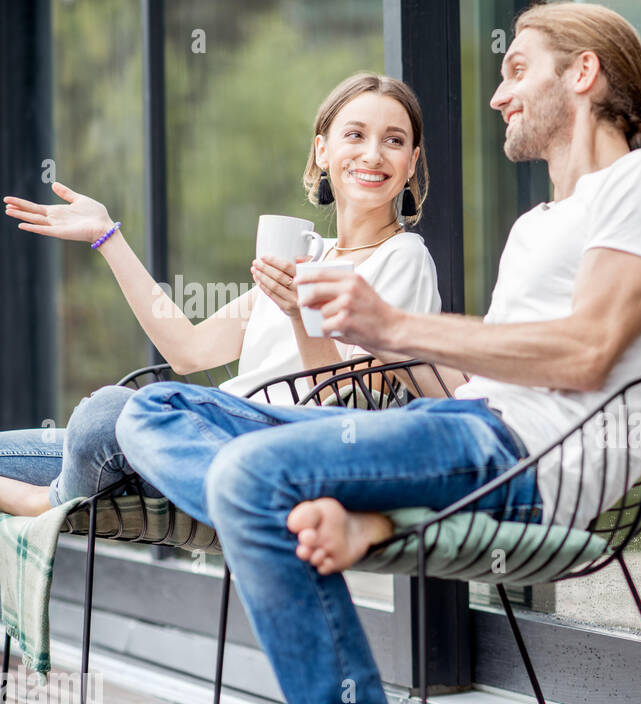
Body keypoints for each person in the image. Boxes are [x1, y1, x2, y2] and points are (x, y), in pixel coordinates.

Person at [116, 2, 641, 704]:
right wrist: (358, 344)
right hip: (461, 428)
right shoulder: (539, 223)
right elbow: (470, 385)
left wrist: (393, 326)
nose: (497, 96)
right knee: (152, 411)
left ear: (581, 74)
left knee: (249, 477)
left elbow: (586, 352)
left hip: (526, 456)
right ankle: (351, 512)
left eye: (517, 70)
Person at [0, 72, 441, 517]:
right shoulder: (310, 255)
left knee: (106, 414)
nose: (373, 154)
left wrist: (300, 313)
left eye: (394, 141)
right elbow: (187, 352)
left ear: (411, 160)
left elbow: (343, 413)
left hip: (267, 453)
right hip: (201, 439)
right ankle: (88, 480)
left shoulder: (403, 258)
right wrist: (107, 236)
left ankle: (50, 502)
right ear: (322, 151)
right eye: (355, 134)